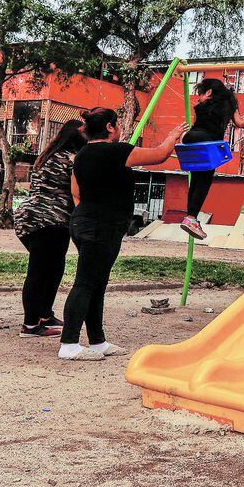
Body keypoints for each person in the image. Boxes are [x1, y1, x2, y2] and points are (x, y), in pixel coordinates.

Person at [58, 108, 188, 361]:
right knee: (86, 283)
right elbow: (159, 155)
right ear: (109, 127)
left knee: (97, 283)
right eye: (116, 124)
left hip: (87, 221)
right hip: (101, 225)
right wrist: (173, 137)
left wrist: (86, 214)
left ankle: (97, 341)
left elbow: (76, 191)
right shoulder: (117, 151)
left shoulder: (82, 155)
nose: (118, 128)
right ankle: (69, 343)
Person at [14, 119, 86, 338]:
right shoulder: (72, 159)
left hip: (30, 217)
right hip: (49, 219)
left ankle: (44, 315)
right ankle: (30, 325)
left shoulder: (46, 156)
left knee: (52, 270)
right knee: (40, 272)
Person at [180, 78, 244, 240]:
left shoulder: (200, 106)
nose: (199, 98)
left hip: (191, 138)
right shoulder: (230, 103)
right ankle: (191, 218)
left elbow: (195, 125)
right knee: (204, 181)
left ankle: (190, 217)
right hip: (208, 141)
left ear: (209, 92)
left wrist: (186, 136)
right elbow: (239, 123)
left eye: (200, 94)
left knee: (196, 179)